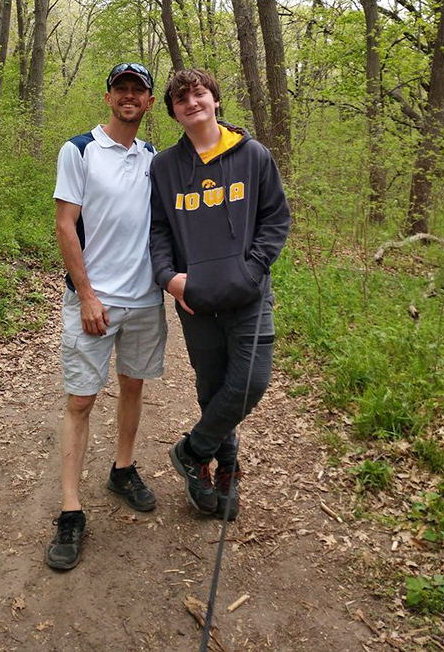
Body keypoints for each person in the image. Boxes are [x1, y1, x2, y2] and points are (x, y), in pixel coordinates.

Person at [149, 68, 290, 521]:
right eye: (182, 98)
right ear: (173, 111)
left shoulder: (253, 156)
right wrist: (168, 277)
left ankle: (194, 450)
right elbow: (157, 231)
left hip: (249, 295)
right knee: (212, 388)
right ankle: (223, 469)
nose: (192, 102)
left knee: (250, 382)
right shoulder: (165, 167)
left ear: (215, 100)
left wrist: (253, 271)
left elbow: (275, 219)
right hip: (196, 300)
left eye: (200, 94)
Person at [46, 62, 167, 571]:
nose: (129, 97)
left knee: (133, 386)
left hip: (144, 301)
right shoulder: (79, 150)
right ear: (108, 95)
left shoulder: (155, 158)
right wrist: (88, 295)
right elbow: (65, 225)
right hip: (94, 303)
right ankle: (71, 510)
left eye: (138, 90)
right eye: (121, 88)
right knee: (80, 400)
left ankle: (122, 469)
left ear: (150, 102)